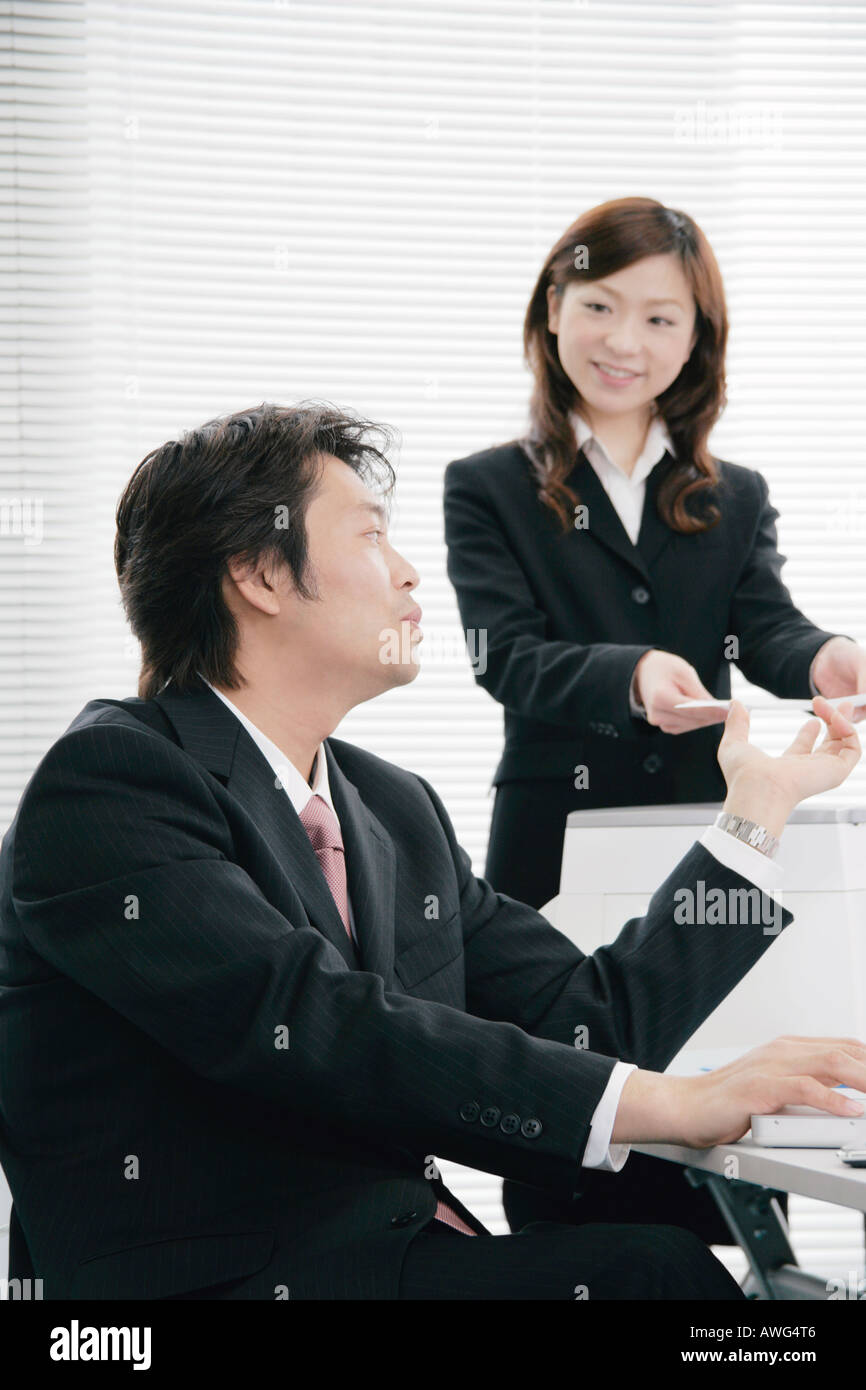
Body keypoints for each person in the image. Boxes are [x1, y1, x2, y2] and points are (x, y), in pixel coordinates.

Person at [0, 401, 862, 1302]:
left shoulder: (393, 809)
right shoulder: (111, 779)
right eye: (373, 537)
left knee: (695, 1286)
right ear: (258, 573)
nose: (412, 576)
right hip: (221, 1281)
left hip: (386, 1256)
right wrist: (675, 1100)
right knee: (656, 1279)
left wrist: (756, 812)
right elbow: (317, 1023)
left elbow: (589, 1020)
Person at [443, 196, 866, 1240]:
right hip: (552, 845)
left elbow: (764, 626)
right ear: (552, 309)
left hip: (704, 839)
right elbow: (504, 657)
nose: (623, 341)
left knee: (717, 1093)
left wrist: (823, 657)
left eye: (660, 317)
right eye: (598, 305)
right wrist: (630, 676)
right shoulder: (488, 486)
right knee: (567, 1104)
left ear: (696, 338)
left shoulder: (735, 494)